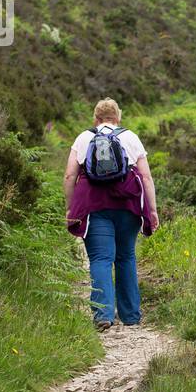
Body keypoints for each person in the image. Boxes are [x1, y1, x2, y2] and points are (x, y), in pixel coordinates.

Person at [64, 98, 159, 330]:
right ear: (118, 117)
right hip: (128, 206)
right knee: (126, 257)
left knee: (100, 258)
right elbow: (146, 177)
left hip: (94, 206)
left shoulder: (84, 138)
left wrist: (70, 207)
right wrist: (153, 210)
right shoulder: (130, 137)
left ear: (95, 118)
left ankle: (103, 315)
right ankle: (130, 315)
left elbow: (69, 176)